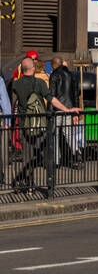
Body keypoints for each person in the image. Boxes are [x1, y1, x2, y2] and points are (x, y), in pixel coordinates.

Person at [10, 57, 79, 189]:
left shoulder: (16, 84)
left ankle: (28, 183)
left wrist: (11, 120)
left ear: (22, 69)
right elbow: (52, 99)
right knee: (43, 153)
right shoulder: (40, 83)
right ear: (33, 69)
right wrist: (67, 109)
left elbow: (13, 103)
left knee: (27, 156)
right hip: (40, 124)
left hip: (24, 124)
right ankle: (49, 185)